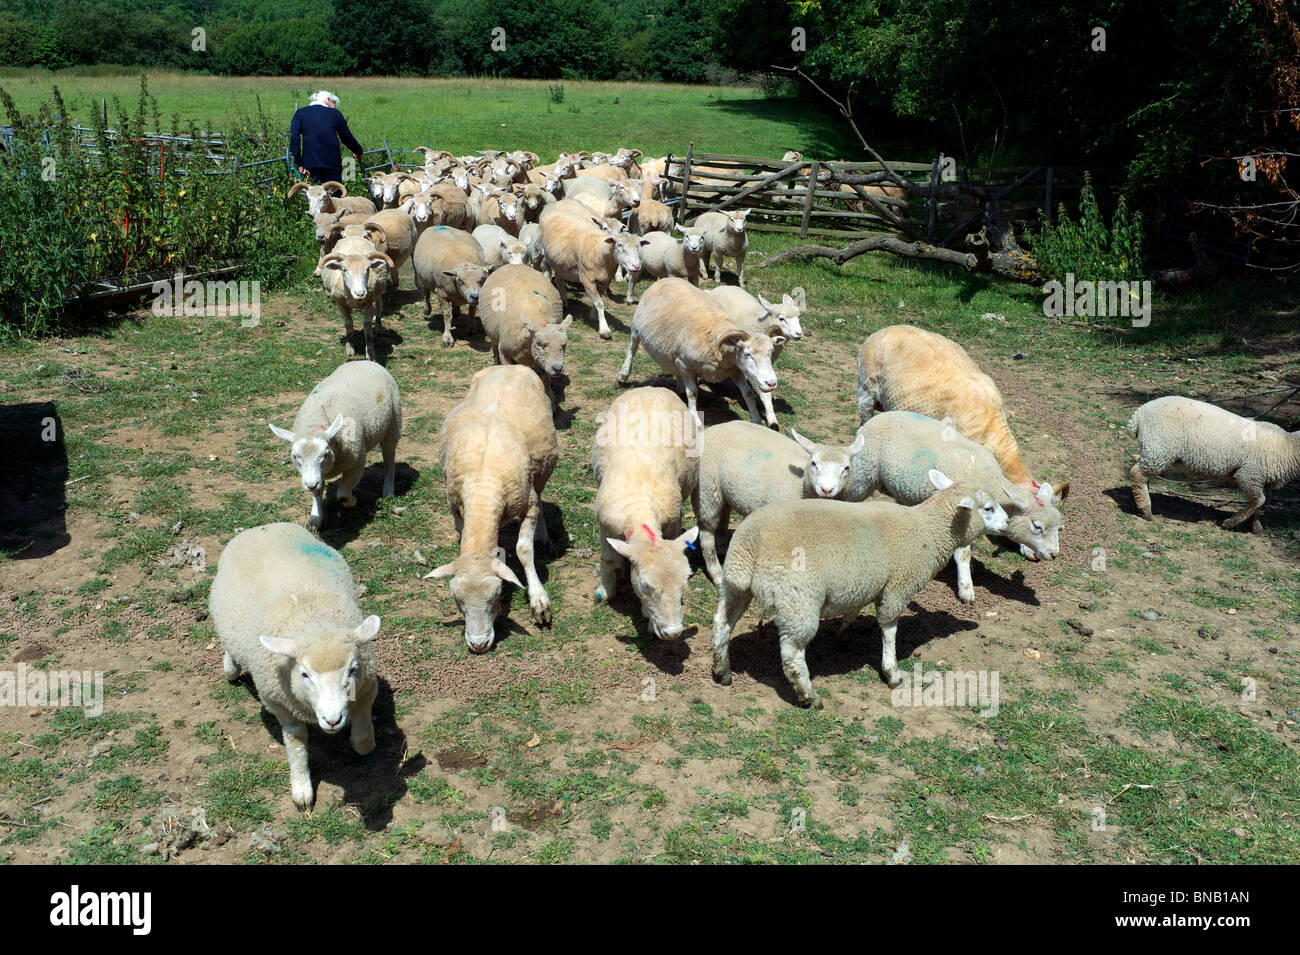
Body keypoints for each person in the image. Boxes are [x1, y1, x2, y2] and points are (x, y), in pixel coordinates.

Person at [289, 90, 364, 189]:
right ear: (328, 100)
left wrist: (299, 162)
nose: (334, 107)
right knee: (334, 197)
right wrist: (358, 151)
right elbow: (346, 137)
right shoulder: (335, 114)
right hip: (332, 162)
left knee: (315, 196)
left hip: (310, 163)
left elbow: (294, 138)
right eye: (334, 104)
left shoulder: (300, 113)